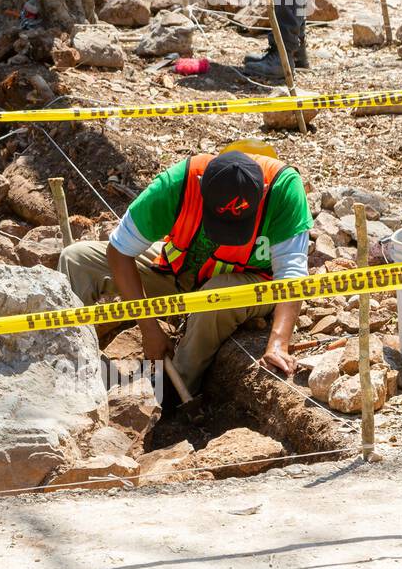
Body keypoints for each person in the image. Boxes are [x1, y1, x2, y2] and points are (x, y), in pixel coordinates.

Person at [58, 145, 312, 396]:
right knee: (76, 259)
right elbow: (119, 251)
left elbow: (291, 274)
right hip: (180, 270)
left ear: (264, 192)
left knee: (213, 299)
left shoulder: (284, 190)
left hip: (250, 282)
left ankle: (172, 396)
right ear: (200, 186)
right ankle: (65, 367)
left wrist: (278, 343)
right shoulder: (176, 185)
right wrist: (149, 329)